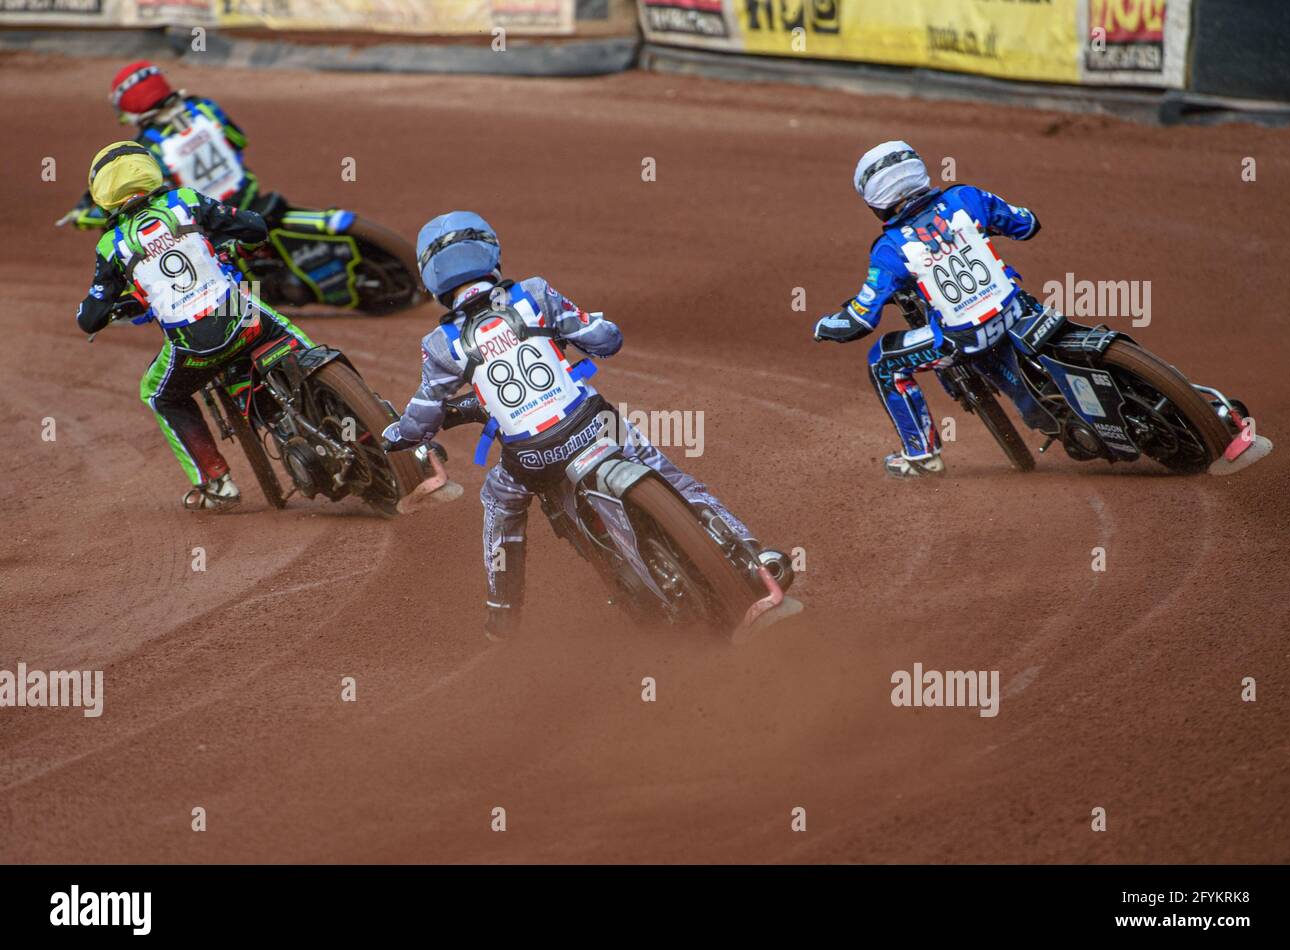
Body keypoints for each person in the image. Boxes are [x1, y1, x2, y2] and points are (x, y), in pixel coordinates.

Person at [382, 212, 788, 640]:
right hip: (594, 425)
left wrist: (402, 434)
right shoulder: (534, 293)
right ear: (489, 252)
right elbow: (605, 339)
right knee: (674, 477)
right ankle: (752, 556)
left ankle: (503, 614)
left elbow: (423, 417)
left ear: (433, 279)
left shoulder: (439, 345)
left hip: (533, 458)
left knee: (499, 503)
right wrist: (590, 328)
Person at [75, 141, 314, 510]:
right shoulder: (183, 199)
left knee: (157, 393)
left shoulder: (112, 243)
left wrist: (100, 311)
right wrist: (243, 238)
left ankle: (216, 483)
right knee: (271, 317)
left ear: (102, 193)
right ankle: (331, 378)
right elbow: (252, 225)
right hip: (238, 311)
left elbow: (89, 317)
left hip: (194, 345)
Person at [813, 140, 1054, 478]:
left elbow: (860, 320)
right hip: (1018, 310)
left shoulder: (889, 250)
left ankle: (921, 456)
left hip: (966, 339)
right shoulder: (966, 198)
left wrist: (824, 326)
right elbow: (1027, 225)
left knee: (882, 362)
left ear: (877, 201)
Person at [65, 61, 262, 231]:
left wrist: (84, 218)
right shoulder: (202, 106)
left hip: (211, 222)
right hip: (250, 194)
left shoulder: (147, 146)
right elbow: (240, 140)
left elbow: (143, 200)